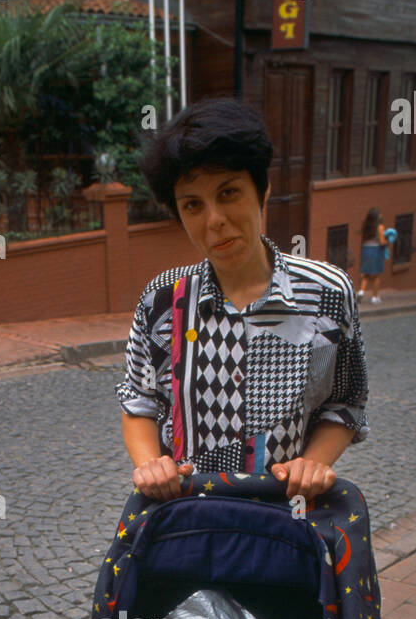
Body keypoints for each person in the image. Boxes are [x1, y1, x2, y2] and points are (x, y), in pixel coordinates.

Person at [116, 97, 369, 503]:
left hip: (283, 525)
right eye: (193, 205)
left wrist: (315, 462)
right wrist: (150, 464)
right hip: (186, 525)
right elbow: (139, 400)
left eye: (229, 192)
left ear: (262, 190)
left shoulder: (327, 293)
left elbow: (345, 400)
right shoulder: (161, 300)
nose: (214, 220)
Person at [358, 207, 387, 304]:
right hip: (375, 250)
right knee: (376, 275)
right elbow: (382, 242)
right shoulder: (380, 227)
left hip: (365, 249)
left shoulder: (365, 226)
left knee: (366, 273)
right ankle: (374, 297)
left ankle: (361, 292)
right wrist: (388, 241)